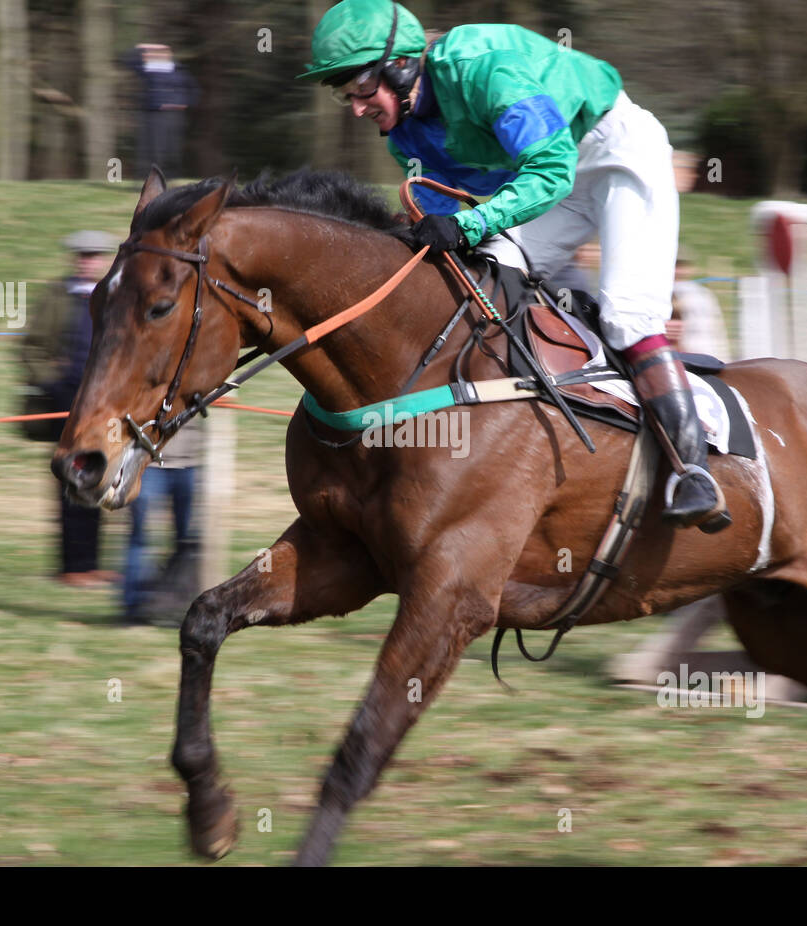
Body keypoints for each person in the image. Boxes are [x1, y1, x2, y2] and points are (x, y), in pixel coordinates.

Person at [300, 0, 729, 532]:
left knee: (628, 316)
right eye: (345, 94)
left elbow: (550, 171)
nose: (356, 108)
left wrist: (467, 225)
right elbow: (443, 217)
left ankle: (694, 471)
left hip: (616, 153)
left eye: (361, 88)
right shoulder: (406, 130)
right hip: (550, 178)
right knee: (482, 275)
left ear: (401, 65)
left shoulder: (485, 67)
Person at [22, 230, 118, 587]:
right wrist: (55, 383)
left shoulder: (113, 296)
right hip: (66, 406)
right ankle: (71, 567)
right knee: (70, 482)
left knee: (99, 479)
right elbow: (30, 348)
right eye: (82, 255)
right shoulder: (54, 296)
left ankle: (92, 563)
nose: (88, 261)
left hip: (104, 407)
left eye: (94, 255)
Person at [123, 420, 204, 626]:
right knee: (140, 536)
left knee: (186, 540)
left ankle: (178, 604)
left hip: (188, 463)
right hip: (147, 463)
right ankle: (134, 607)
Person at [122, 43, 200, 178]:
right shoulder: (148, 69)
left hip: (175, 115)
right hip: (153, 115)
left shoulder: (179, 70)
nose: (156, 55)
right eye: (153, 53)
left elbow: (194, 89)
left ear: (169, 55)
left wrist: (185, 103)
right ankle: (148, 180)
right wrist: (141, 47)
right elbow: (127, 60)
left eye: (161, 52)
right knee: (152, 150)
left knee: (172, 150)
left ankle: (169, 179)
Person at [669, 254, 732, 361]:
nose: (679, 270)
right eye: (676, 265)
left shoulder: (703, 294)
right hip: (680, 352)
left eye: (682, 266)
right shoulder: (661, 294)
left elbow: (716, 327)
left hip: (705, 349)